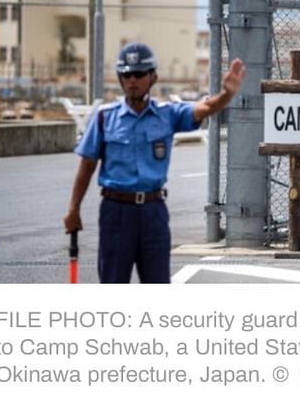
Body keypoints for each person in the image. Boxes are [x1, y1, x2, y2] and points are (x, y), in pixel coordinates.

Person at [63, 42, 246, 283]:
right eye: (126, 74)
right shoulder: (104, 118)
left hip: (153, 212)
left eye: (139, 74)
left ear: (153, 77)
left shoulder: (167, 114)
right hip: (115, 212)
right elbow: (86, 166)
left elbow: (204, 108)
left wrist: (226, 95)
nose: (132, 80)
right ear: (120, 78)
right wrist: (73, 210)